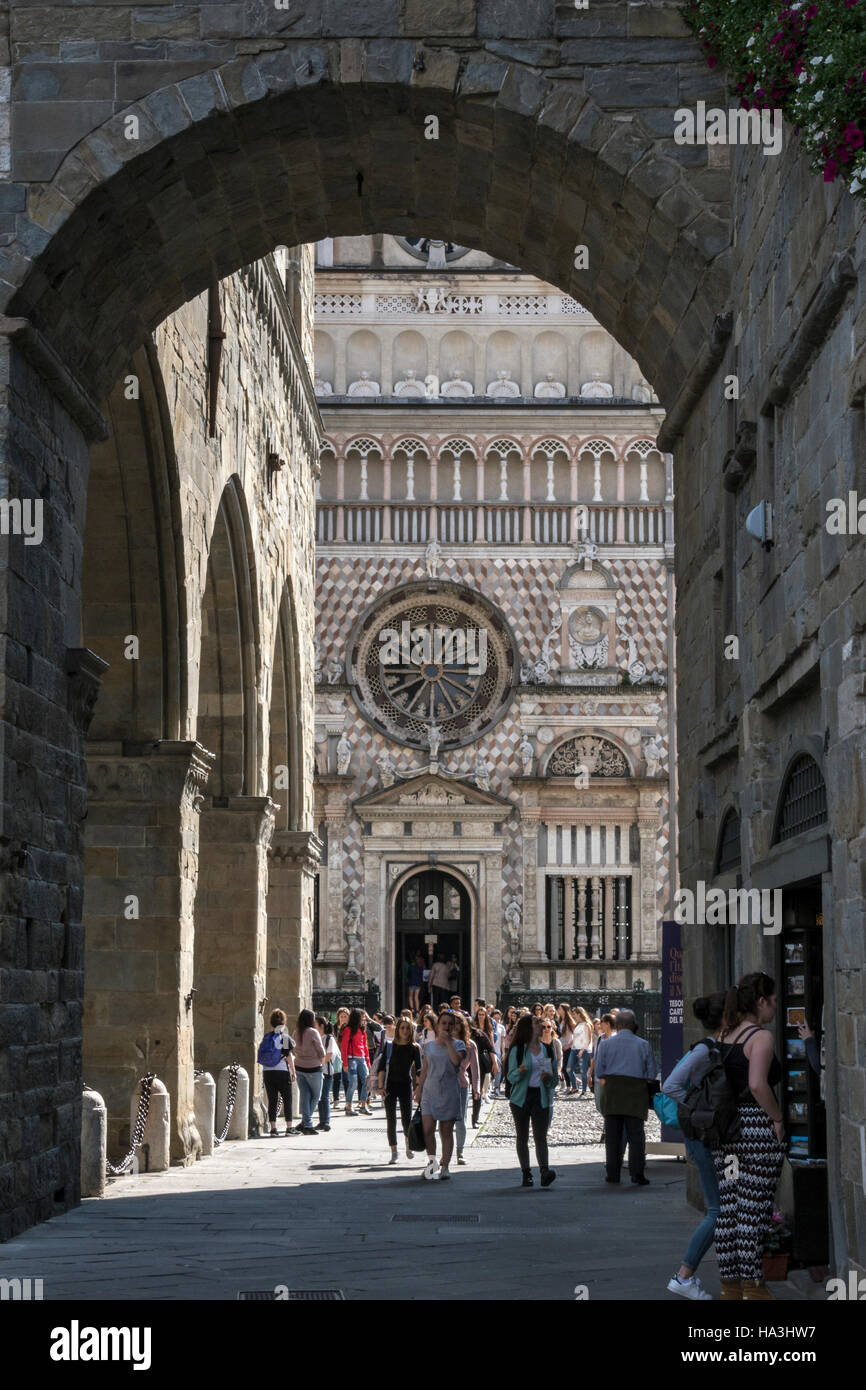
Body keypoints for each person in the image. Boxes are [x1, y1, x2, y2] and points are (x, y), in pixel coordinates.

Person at [716, 972, 785, 1301]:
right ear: (761, 1001)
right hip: (756, 1130)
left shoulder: (725, 1035)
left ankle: (730, 1285)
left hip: (727, 1132)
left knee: (729, 1207)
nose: (774, 1008)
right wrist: (778, 1117)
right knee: (753, 1210)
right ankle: (753, 1288)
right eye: (772, 1002)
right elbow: (758, 1085)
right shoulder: (761, 1038)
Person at [661, 992, 727, 1300]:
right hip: (699, 1134)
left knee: (722, 1207)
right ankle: (684, 1275)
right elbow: (670, 1085)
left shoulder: (717, 1048)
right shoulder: (704, 1050)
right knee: (717, 1209)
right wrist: (699, 1107)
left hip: (708, 1134)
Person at [593, 1008, 656, 1185]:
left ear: (618, 1025)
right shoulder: (643, 1044)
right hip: (636, 1092)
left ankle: (612, 1173)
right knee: (636, 1135)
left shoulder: (606, 1044)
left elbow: (599, 1071)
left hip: (613, 1091)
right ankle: (637, 1173)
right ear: (633, 1024)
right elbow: (651, 1072)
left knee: (613, 1135)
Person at [414, 1009, 466, 1180]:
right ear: (437, 1025)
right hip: (430, 1090)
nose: (447, 1026)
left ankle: (445, 1166)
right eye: (443, 1023)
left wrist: (448, 1043)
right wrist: (419, 1089)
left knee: (446, 1131)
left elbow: (456, 1062)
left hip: (449, 1090)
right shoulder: (428, 1046)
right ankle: (432, 1162)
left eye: (450, 1024)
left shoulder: (459, 1045)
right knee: (428, 1129)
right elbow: (425, 1070)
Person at [507, 1014, 558, 1188]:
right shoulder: (519, 1050)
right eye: (537, 1023)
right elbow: (511, 1077)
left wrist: (548, 1077)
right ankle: (526, 1173)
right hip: (521, 1097)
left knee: (540, 1136)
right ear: (528, 1027)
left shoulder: (547, 1049)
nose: (541, 1025)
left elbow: (554, 1081)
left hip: (541, 1097)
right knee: (522, 1136)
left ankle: (544, 1171)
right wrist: (520, 1072)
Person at [379, 1016, 421, 1163]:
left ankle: (408, 1146)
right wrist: (380, 1086)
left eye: (407, 1028)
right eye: (402, 1027)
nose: (405, 1031)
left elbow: (419, 1070)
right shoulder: (390, 1045)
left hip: (405, 1085)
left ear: (411, 1030)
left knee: (406, 1119)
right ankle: (394, 1151)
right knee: (391, 1120)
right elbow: (382, 1067)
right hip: (390, 1085)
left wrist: (418, 1088)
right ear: (398, 1029)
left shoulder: (414, 1047)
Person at [260, 1008, 297, 1136]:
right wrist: (293, 1071)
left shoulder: (267, 1037)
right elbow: (288, 1056)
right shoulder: (284, 1037)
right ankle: (289, 1128)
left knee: (272, 1100)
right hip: (282, 1071)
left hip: (268, 1072)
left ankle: (273, 1129)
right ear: (283, 1022)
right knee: (287, 1099)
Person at [451, 1011, 479, 1165]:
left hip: (461, 1084)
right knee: (445, 1120)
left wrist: (476, 1088)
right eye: (451, 1023)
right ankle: (446, 1151)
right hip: (444, 1084)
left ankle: (460, 1151)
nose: (454, 1026)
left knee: (461, 1119)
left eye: (457, 1023)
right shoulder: (443, 1042)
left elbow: (475, 1068)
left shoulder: (470, 1045)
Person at [292, 1008, 326, 1135]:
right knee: (316, 1096)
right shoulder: (313, 1032)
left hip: (299, 1067)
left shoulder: (296, 1032)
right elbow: (321, 1050)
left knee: (305, 1096)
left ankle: (305, 1123)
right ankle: (307, 1124)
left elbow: (293, 1048)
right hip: (314, 1068)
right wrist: (322, 1061)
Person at [341, 1008, 371, 1116]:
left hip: (362, 1059)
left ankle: (363, 1105)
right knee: (353, 1083)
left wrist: (368, 1061)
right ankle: (349, 1107)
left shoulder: (362, 1029)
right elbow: (344, 1047)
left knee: (367, 1081)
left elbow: (365, 1046)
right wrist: (345, 1063)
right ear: (357, 1017)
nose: (364, 1018)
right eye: (362, 1016)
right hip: (351, 1059)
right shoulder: (348, 1030)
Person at [470, 1008, 498, 1122]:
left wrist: (495, 1062)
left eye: (483, 1014)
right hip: (464, 1065)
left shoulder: (482, 1033)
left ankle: (475, 1117)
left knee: (477, 1090)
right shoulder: (461, 1035)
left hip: (479, 1063)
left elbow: (491, 1047)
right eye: (479, 1014)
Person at [315, 1015, 341, 1132]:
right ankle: (322, 1121)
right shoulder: (316, 1037)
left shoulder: (329, 1038)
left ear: (321, 1026)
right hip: (317, 1070)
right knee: (319, 1097)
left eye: (315, 1024)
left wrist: (320, 1064)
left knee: (324, 1096)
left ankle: (326, 1121)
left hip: (326, 1071)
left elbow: (330, 1054)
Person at [571, 1007, 594, 1096]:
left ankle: (584, 1089)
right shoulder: (577, 1025)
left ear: (579, 1014)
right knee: (569, 1068)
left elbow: (588, 1039)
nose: (573, 1015)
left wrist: (582, 1050)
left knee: (583, 1070)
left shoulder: (586, 1024)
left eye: (574, 1014)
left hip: (584, 1050)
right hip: (575, 1049)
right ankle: (575, 1087)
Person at [334, 1006, 350, 1108]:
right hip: (336, 1055)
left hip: (346, 1055)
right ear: (338, 1017)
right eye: (341, 1016)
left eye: (345, 1016)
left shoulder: (349, 1028)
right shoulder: (334, 1027)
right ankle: (336, 1100)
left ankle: (348, 1100)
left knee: (346, 1079)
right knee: (336, 1078)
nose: (343, 1018)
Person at [558, 1004, 576, 1092]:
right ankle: (572, 1085)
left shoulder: (570, 1021)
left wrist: (568, 1045)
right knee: (563, 1068)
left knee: (565, 1068)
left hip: (567, 1048)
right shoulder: (560, 1020)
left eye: (559, 1008)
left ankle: (570, 1086)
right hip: (561, 1047)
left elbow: (576, 1036)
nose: (558, 1009)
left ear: (564, 1010)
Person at [490, 1008, 506, 1097]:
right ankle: (488, 1088)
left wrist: (503, 1052)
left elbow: (502, 1041)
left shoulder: (501, 1027)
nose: (497, 1020)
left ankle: (497, 1088)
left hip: (498, 1051)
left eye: (498, 1018)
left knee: (498, 1071)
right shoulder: (489, 1026)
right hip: (490, 1051)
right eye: (495, 1018)